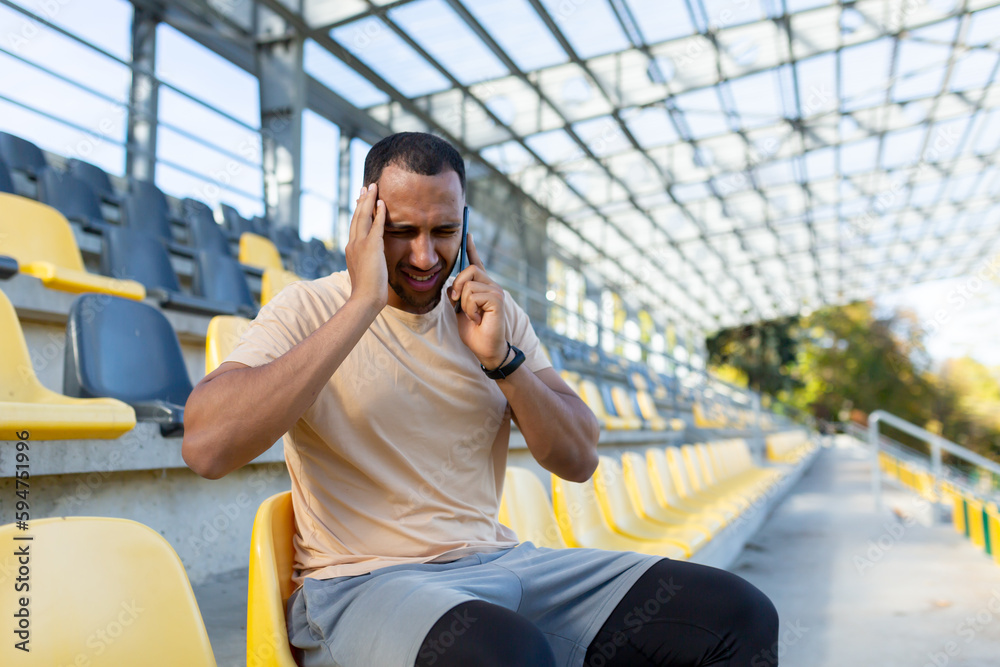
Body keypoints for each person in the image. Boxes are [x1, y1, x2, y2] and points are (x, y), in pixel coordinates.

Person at [182, 132, 779, 667]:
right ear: (365, 221)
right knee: (502, 653)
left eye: (443, 232)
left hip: (502, 564)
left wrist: (503, 361)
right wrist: (363, 303)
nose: (423, 257)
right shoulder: (309, 309)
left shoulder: (491, 312)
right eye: (400, 233)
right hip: (365, 586)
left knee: (736, 615)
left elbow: (578, 459)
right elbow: (208, 448)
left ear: (465, 224)